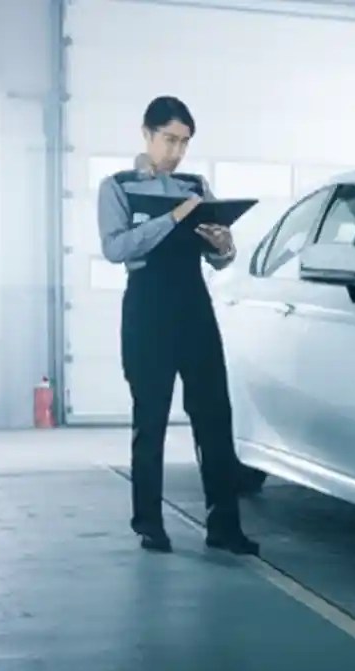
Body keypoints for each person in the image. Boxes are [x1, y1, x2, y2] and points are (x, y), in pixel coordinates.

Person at [97, 95, 258, 555]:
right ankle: (150, 524)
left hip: (194, 306)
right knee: (151, 418)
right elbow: (115, 248)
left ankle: (225, 526)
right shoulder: (118, 187)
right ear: (146, 134)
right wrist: (174, 217)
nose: (177, 152)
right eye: (169, 139)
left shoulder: (195, 184)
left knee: (214, 415)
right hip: (147, 309)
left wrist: (224, 244)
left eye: (185, 142)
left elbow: (220, 259)